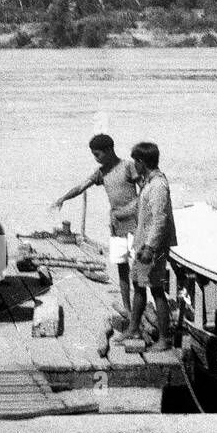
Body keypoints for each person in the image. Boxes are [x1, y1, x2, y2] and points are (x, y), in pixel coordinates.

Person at [52, 133, 139, 314]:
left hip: (135, 224)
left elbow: (145, 188)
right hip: (117, 225)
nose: (95, 158)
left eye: (97, 154)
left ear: (109, 150)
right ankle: (127, 308)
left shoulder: (128, 167)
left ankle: (138, 311)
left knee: (138, 271)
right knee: (122, 268)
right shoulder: (101, 173)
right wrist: (63, 198)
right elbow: (80, 187)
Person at [120, 140, 177, 353]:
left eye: (136, 161)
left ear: (142, 162)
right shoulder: (150, 182)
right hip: (144, 245)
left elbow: (160, 220)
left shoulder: (158, 185)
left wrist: (150, 248)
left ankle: (163, 339)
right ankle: (133, 328)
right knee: (139, 285)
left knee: (157, 290)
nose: (134, 165)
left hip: (152, 248)